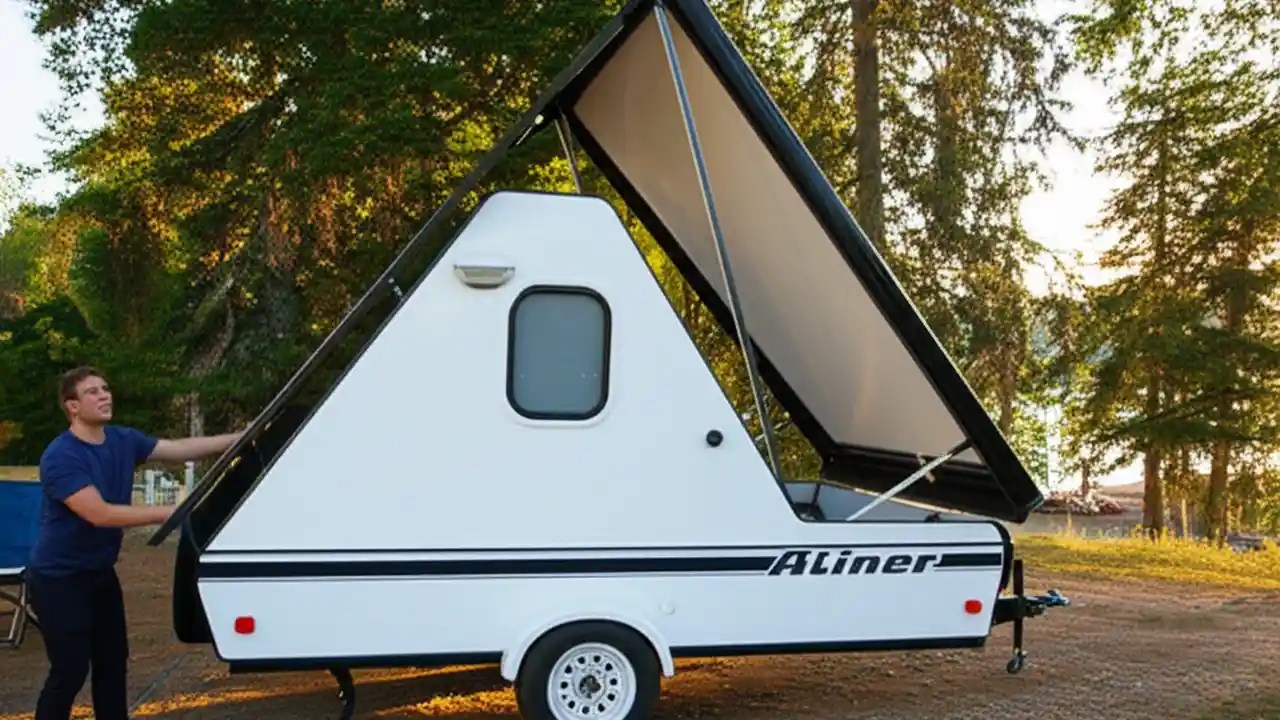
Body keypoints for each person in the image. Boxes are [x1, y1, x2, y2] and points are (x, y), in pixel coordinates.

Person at [26, 366, 243, 720]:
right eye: (92, 392)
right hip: (59, 579)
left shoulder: (122, 440)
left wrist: (239, 437)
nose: (104, 395)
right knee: (70, 670)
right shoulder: (61, 456)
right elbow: (98, 514)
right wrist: (170, 512)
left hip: (99, 574)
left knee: (113, 665)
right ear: (73, 407)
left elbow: (178, 449)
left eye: (106, 388)